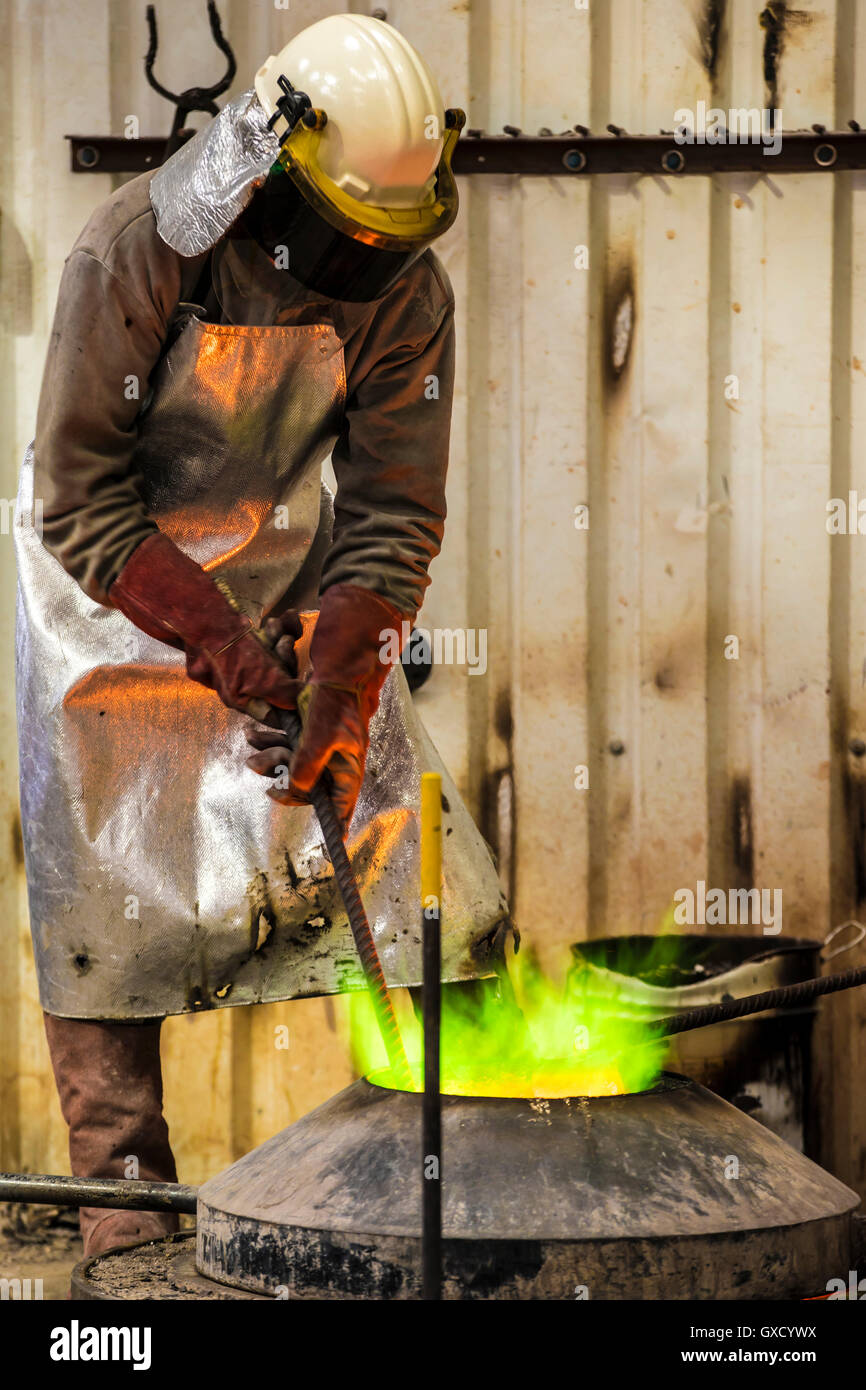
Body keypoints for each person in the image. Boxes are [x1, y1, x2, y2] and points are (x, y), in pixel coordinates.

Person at [15, 13, 509, 1257]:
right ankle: (126, 1221)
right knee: (107, 914)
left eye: (387, 241)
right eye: (343, 234)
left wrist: (338, 684)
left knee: (419, 882)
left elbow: (391, 517)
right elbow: (77, 497)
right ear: (267, 168)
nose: (360, 264)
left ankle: (459, 1189)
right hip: (107, 594)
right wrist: (220, 648)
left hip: (290, 585)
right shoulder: (135, 250)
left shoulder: (409, 296)